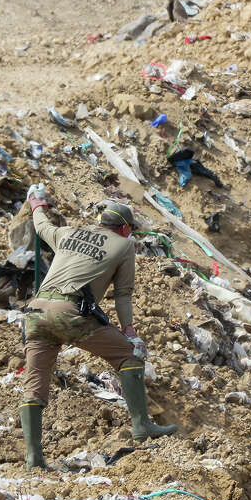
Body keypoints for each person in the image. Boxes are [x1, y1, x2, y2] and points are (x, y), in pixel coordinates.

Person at [20, 186, 176, 470]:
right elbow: (123, 293)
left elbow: (42, 226)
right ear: (126, 229)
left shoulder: (68, 233)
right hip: (70, 314)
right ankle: (142, 426)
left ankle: (33, 458)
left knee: (35, 382)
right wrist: (129, 331)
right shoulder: (124, 245)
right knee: (129, 355)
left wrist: (37, 202)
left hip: (35, 312)